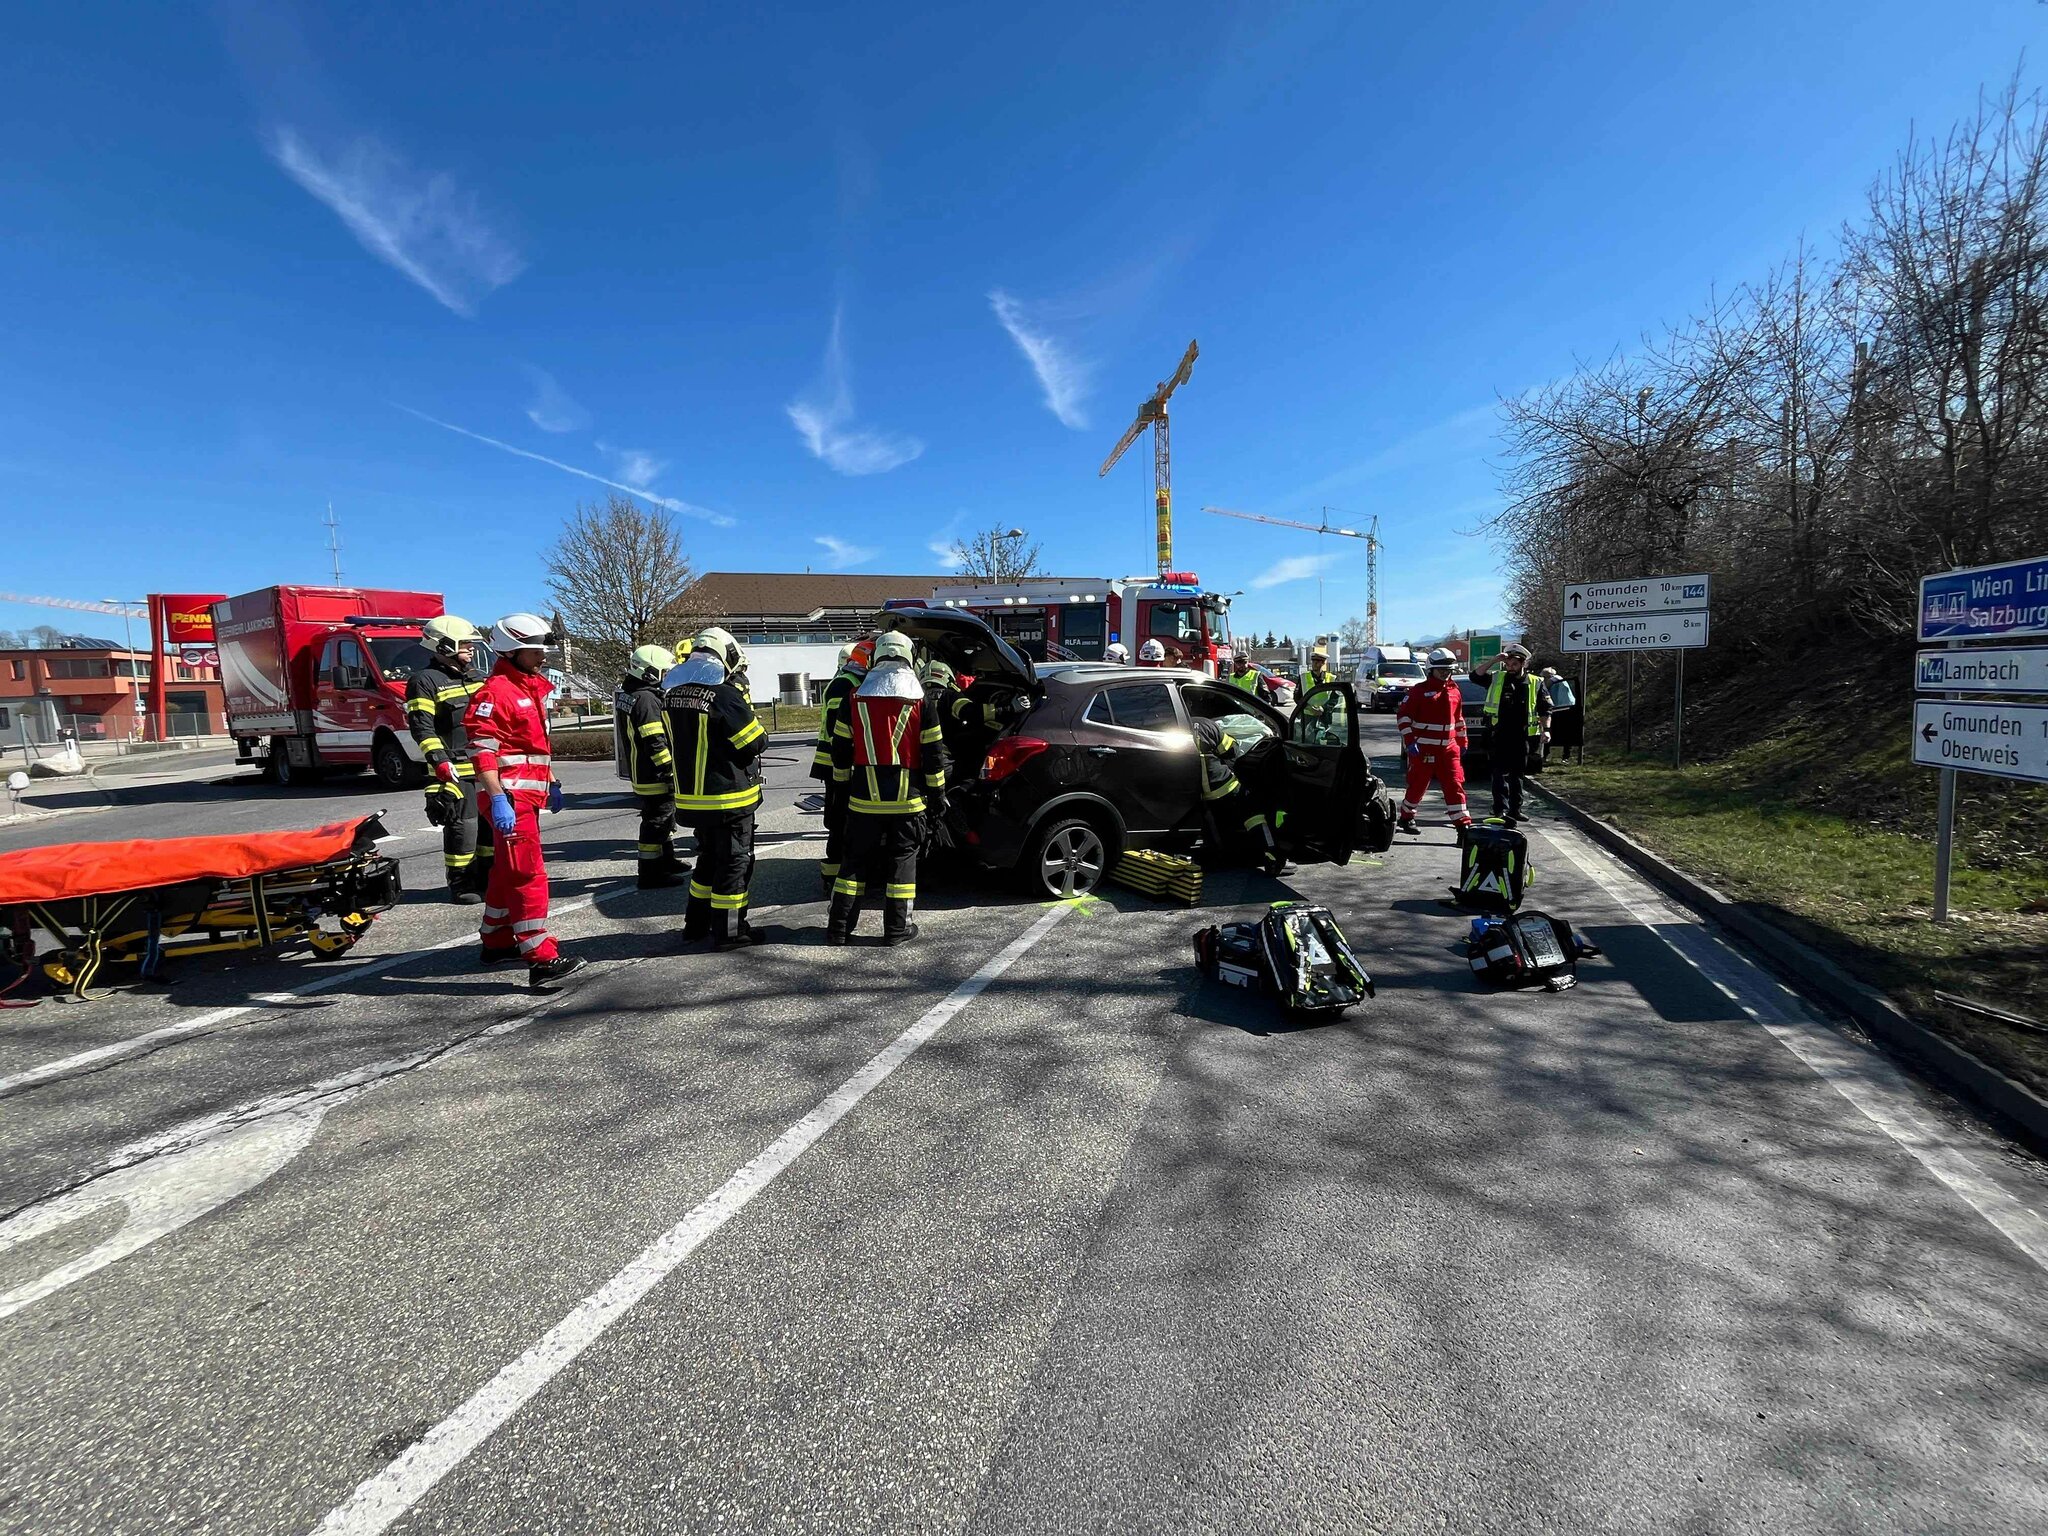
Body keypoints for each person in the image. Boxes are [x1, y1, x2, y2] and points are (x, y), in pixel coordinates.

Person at [465, 613, 585, 988]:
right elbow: (481, 752)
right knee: (526, 873)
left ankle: (497, 940)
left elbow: (535, 748)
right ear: (512, 651)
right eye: (535, 650)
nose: (542, 656)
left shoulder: (529, 688)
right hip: (509, 797)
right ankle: (540, 955)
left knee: (505, 871)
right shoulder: (496, 692)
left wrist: (551, 781)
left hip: (524, 795)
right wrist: (498, 797)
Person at [828, 630, 947, 946]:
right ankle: (896, 931)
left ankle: (839, 929)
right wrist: (938, 796)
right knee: (902, 864)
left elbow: (839, 752)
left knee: (853, 863)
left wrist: (841, 792)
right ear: (909, 658)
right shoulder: (922, 702)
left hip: (862, 801)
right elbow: (933, 757)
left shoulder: (853, 699)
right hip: (908, 804)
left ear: (875, 658)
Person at [666, 627, 767, 949]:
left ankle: (695, 924)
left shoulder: (673, 695)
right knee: (734, 865)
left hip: (692, 800)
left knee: (707, 861)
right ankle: (731, 932)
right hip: (728, 799)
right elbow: (754, 742)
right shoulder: (724, 695)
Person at [405, 615, 491, 903]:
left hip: (486, 767)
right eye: (465, 644)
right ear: (443, 646)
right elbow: (422, 726)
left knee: (489, 826)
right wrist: (440, 761)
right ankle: (462, 884)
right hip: (454, 769)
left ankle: (488, 877)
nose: (471, 649)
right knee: (463, 827)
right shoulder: (424, 681)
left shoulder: (478, 677)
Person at [620, 644, 686, 889]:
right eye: (663, 672)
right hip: (654, 773)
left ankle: (666, 861)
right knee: (657, 822)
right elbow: (654, 740)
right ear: (648, 672)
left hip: (643, 771)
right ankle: (650, 873)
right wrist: (669, 770)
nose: (666, 677)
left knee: (663, 818)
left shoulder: (632, 693)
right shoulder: (646, 699)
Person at [811, 638, 872, 893]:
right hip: (834, 762)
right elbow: (840, 729)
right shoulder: (844, 684)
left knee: (845, 820)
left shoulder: (853, 681)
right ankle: (832, 876)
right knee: (838, 822)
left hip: (843, 761)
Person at [1191, 715, 1286, 875]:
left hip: (1196, 794)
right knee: (1253, 812)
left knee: (1214, 823)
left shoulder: (1171, 729)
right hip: (1223, 786)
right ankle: (1271, 854)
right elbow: (1230, 749)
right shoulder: (1205, 725)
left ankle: (1219, 856)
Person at [1395, 647, 1473, 834]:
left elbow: (1459, 719)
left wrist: (1463, 742)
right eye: (1441, 670)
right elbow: (1403, 716)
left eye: (1448, 670)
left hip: (1449, 749)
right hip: (1424, 749)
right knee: (1418, 784)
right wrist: (1410, 741)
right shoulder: (1418, 691)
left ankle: (1463, 825)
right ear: (1431, 670)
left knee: (1455, 784)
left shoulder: (1455, 691)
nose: (1445, 673)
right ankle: (1407, 817)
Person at [1483, 642, 1552, 824]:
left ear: (1523, 664)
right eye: (1508, 664)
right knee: (1498, 774)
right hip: (1499, 734)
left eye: (1514, 664)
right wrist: (1495, 660)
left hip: (1522, 736)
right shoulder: (1497, 678)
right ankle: (1499, 810)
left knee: (1517, 775)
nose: (1510, 667)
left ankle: (1515, 810)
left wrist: (1547, 731)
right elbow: (1476, 675)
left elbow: (1546, 709)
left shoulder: (1536, 683)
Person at [1542, 666, 1584, 765]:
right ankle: (1566, 757)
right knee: (1567, 734)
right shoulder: (1561, 680)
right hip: (1569, 708)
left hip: (1558, 710)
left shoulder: (1553, 681)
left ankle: (1545, 756)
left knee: (1549, 732)